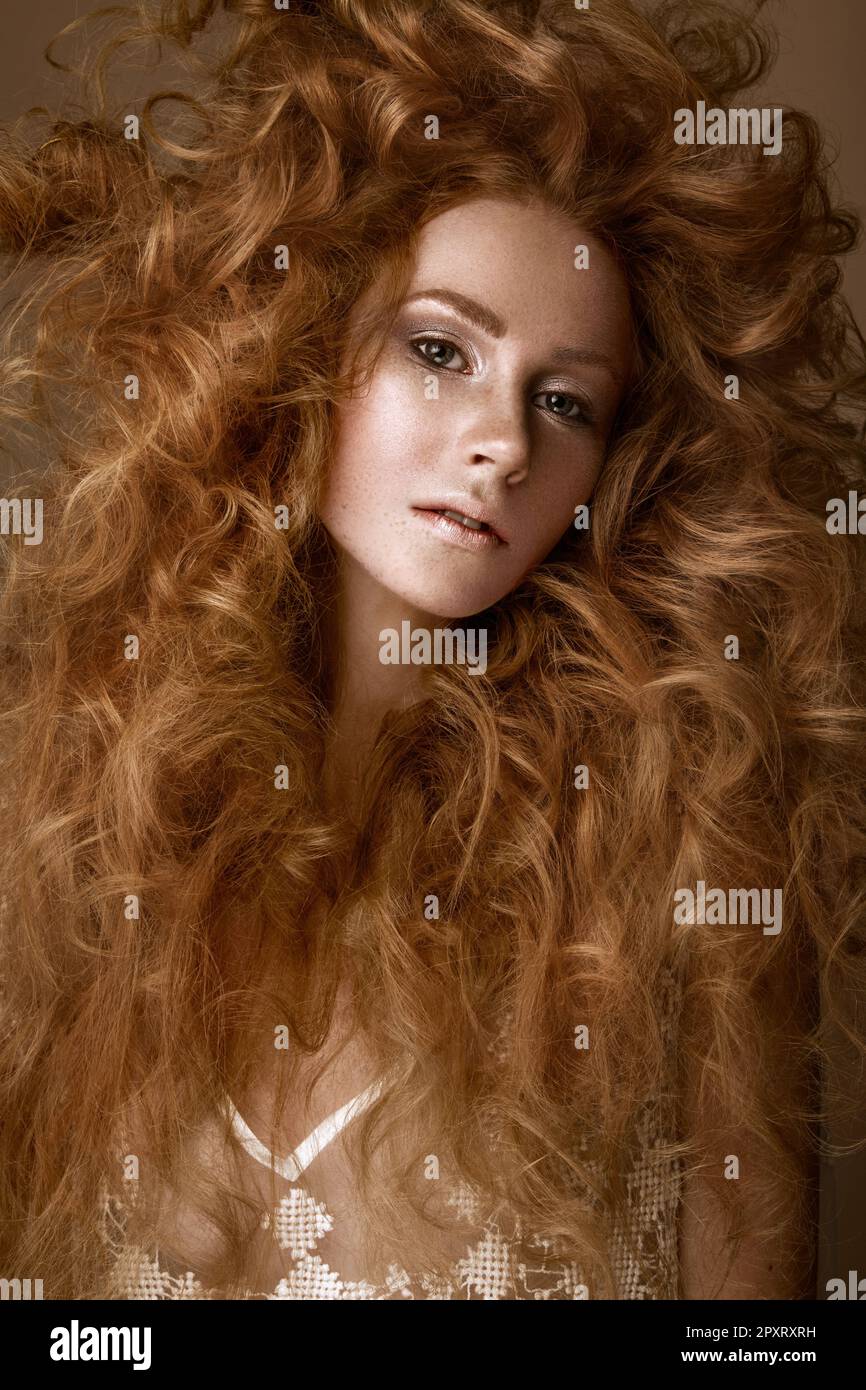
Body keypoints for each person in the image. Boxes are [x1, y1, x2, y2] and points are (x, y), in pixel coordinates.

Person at [0, 0, 864, 1301]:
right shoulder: (57, 812)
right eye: (440, 349)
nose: (503, 440)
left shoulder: (688, 849)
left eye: (561, 400)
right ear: (304, 353)